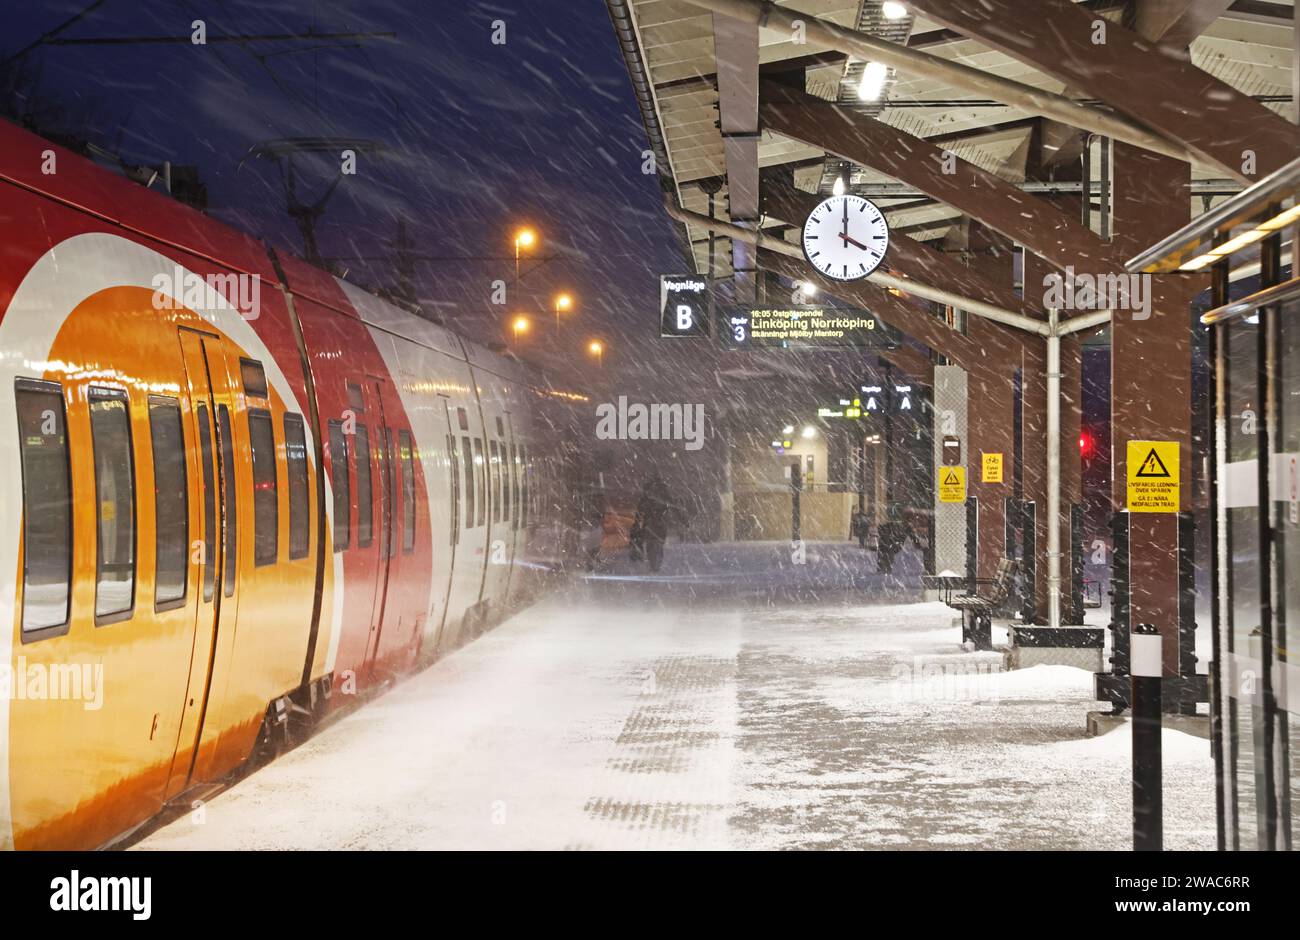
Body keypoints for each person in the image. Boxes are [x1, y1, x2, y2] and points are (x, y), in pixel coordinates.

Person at [636, 474, 674, 572]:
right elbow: (670, 506)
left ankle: (653, 563)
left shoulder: (647, 496)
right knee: (658, 544)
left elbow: (640, 508)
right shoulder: (664, 494)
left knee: (651, 544)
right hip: (659, 522)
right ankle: (656, 564)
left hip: (650, 523)